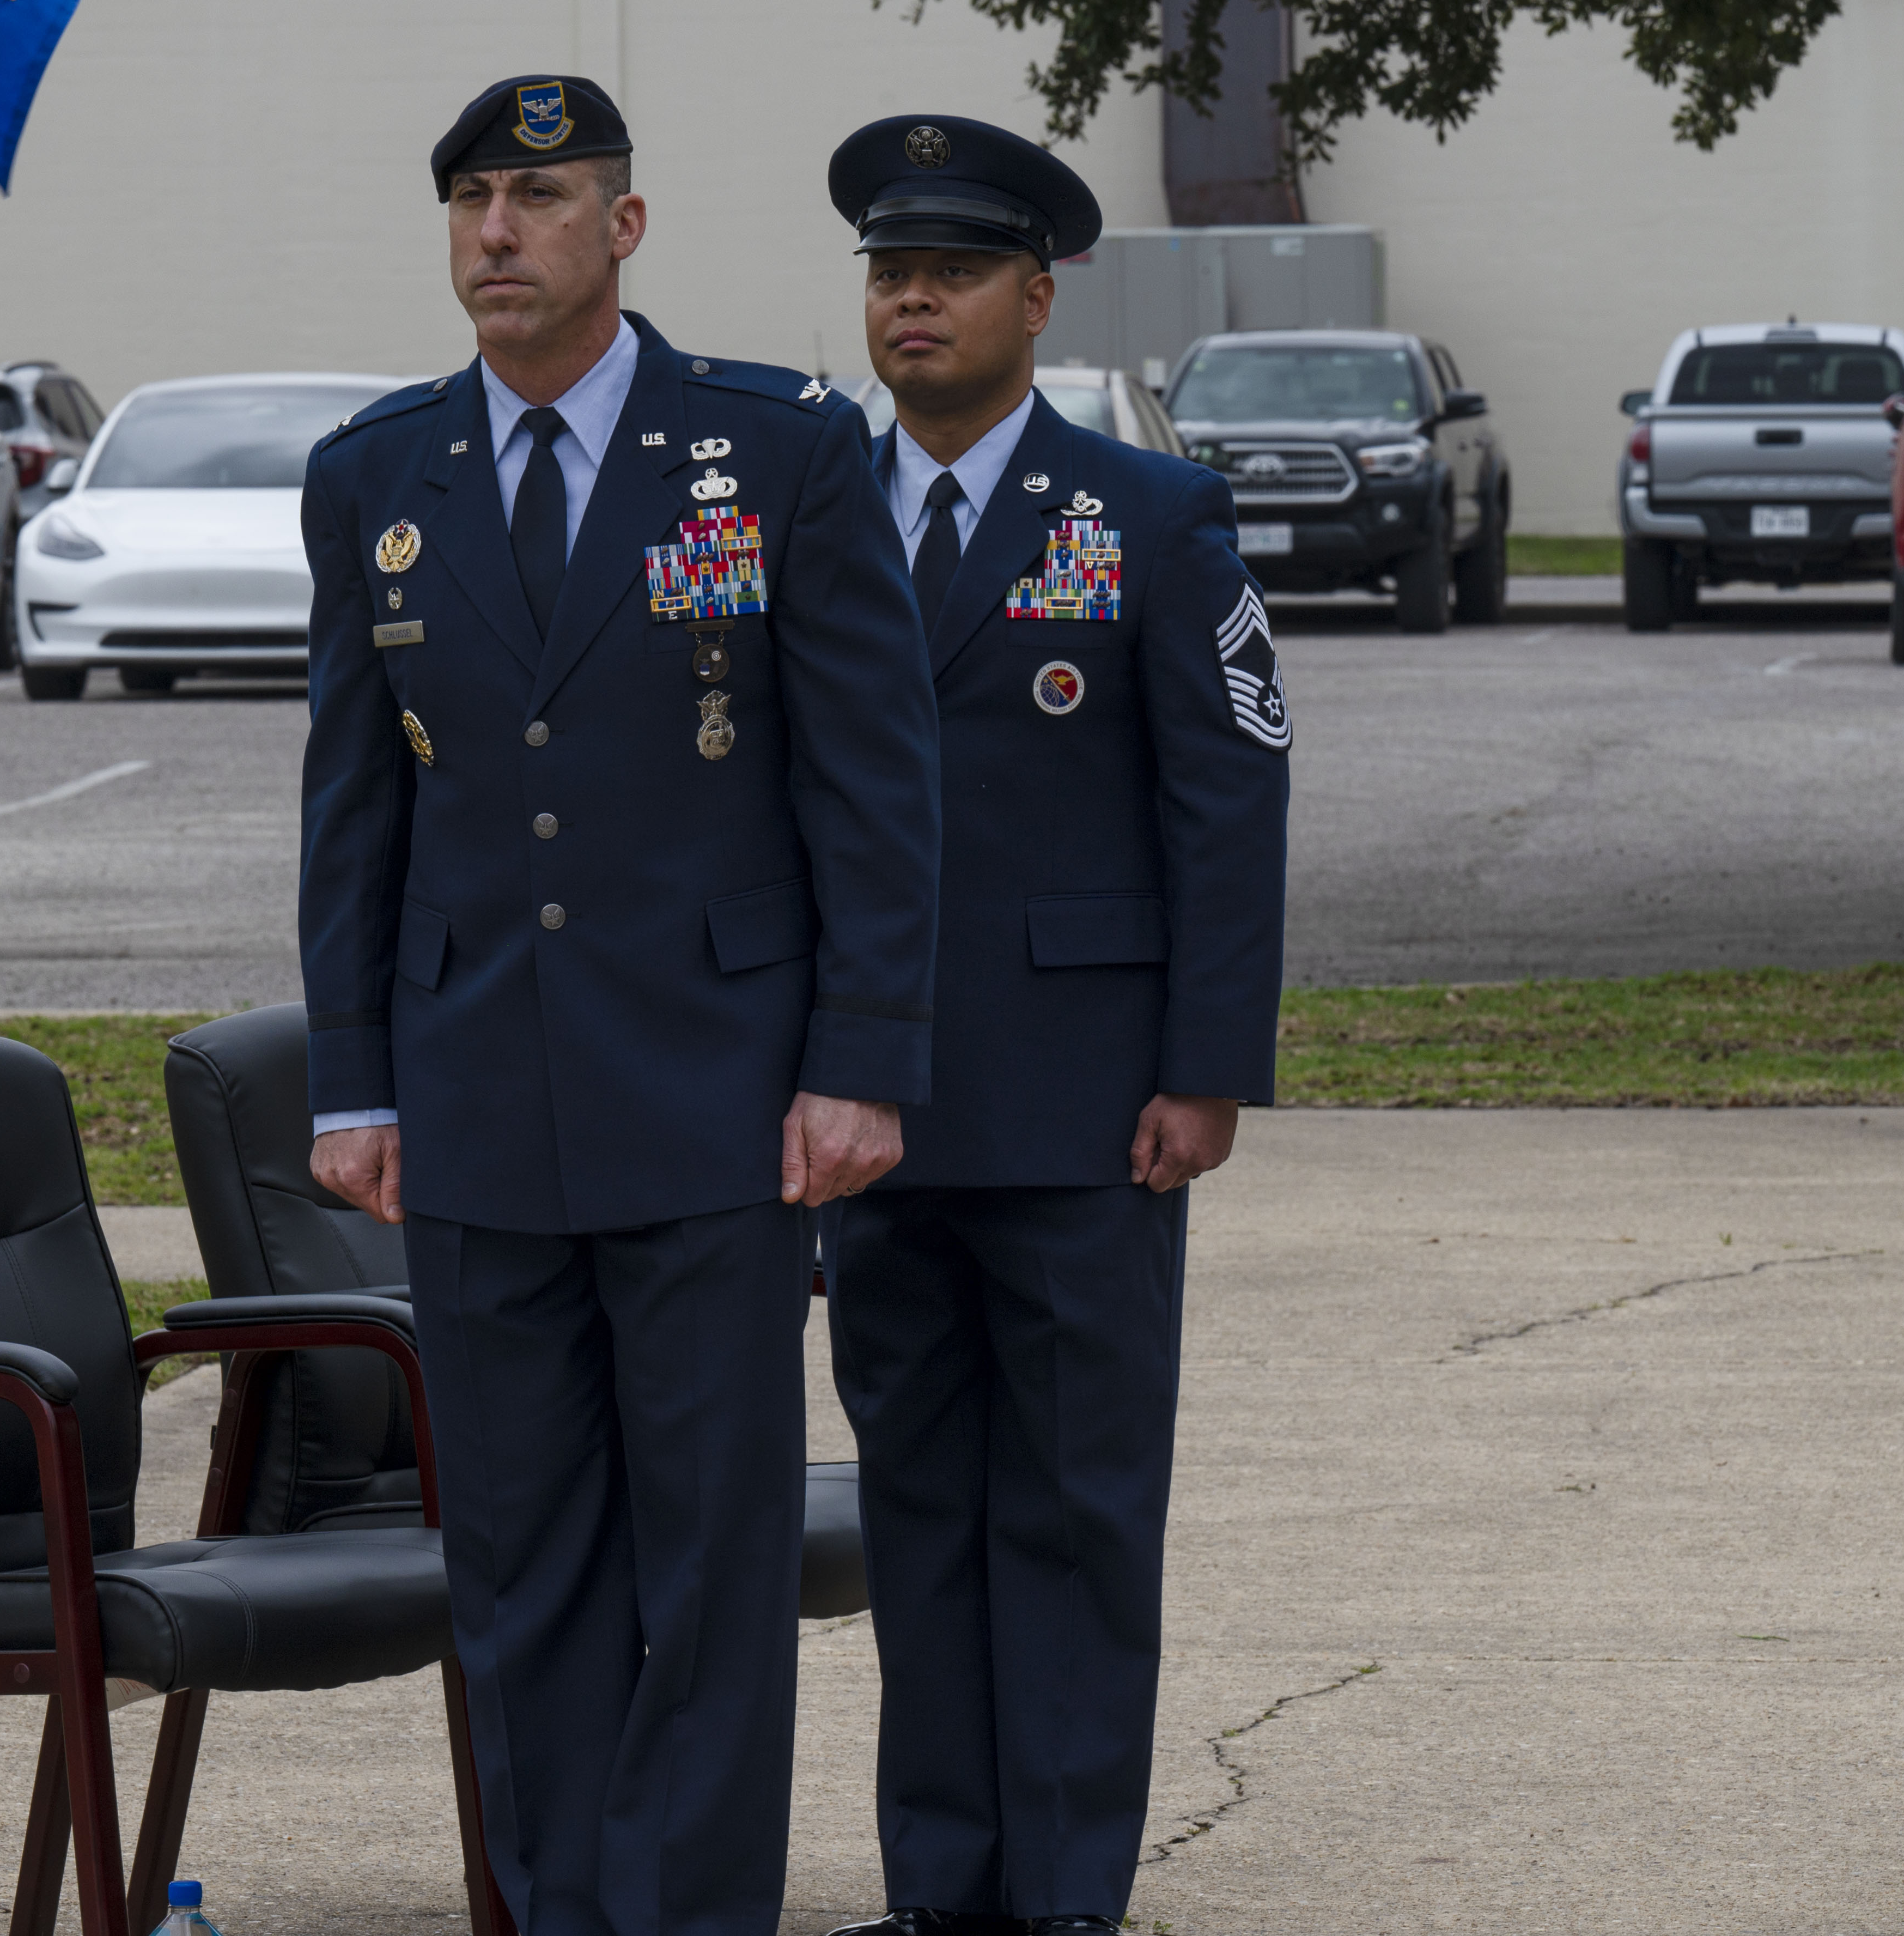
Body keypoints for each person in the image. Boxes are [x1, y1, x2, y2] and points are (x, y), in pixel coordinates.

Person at [296, 73, 942, 1936]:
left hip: (712, 1089)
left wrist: (859, 1058)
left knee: (713, 1554)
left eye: (540, 198)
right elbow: (353, 803)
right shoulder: (378, 471)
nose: (496, 233)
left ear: (625, 227)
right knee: (519, 1557)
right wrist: (354, 1079)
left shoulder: (777, 450)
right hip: (475, 1093)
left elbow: (872, 784)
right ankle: (566, 1904)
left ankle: (691, 1911)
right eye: (470, 203)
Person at [814, 117, 1292, 1936]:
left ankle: (1069, 1894)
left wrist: (1204, 1065)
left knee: (1079, 1512)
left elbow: (1226, 796)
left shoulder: (1147, 515)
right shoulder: (798, 510)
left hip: (1088, 1108)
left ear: (1037, 295)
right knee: (918, 1507)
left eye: (950, 272)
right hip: (871, 1104)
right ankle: (942, 1891)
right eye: (888, 271)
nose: (912, 300)